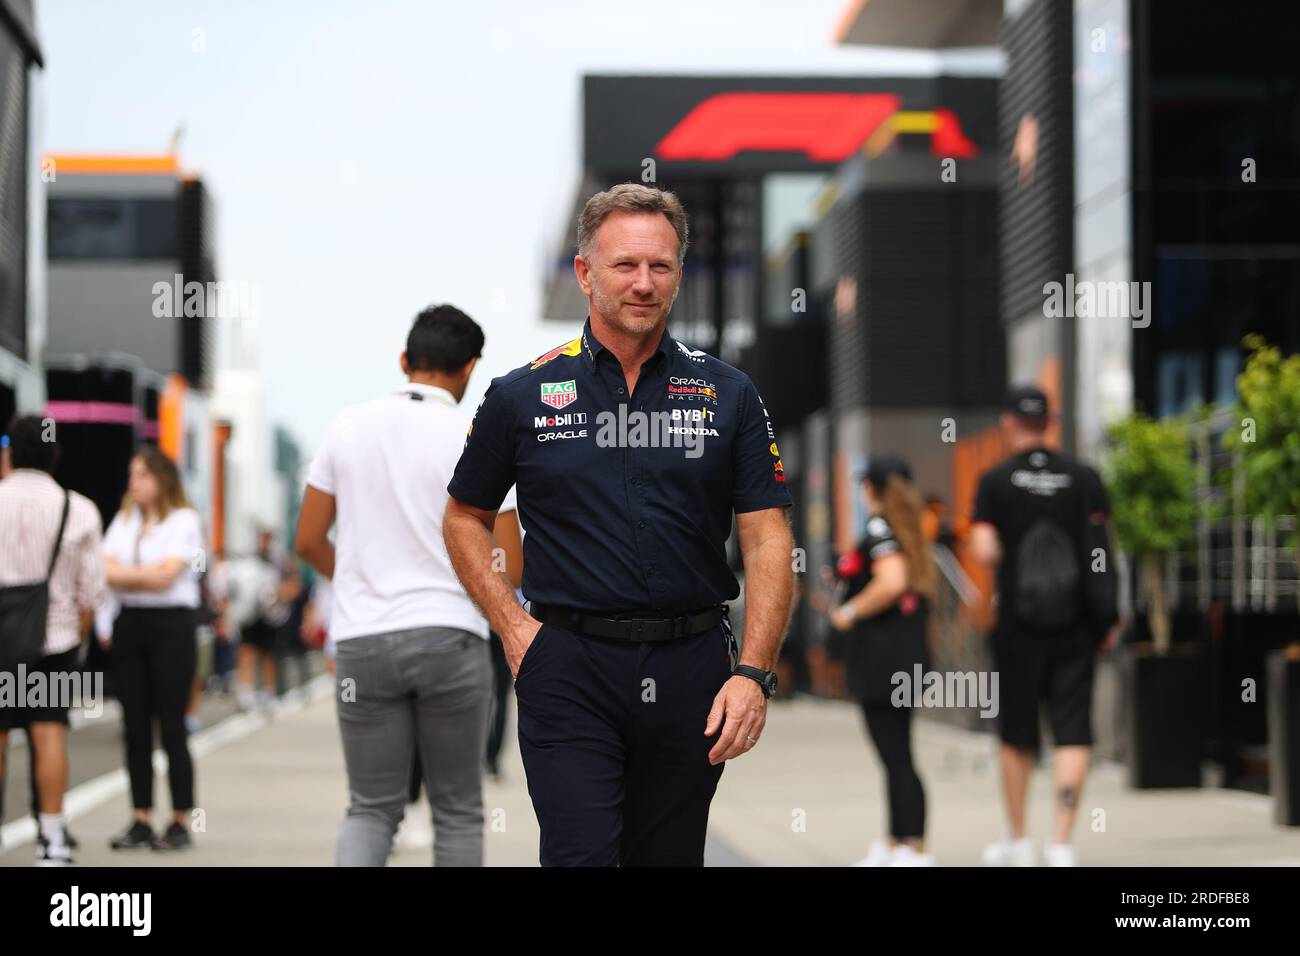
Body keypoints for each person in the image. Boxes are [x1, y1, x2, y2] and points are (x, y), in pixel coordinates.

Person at [444, 183, 795, 867]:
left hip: (693, 667)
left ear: (679, 275)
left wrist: (753, 673)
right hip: (567, 665)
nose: (643, 283)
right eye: (624, 265)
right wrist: (515, 631)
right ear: (584, 273)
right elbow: (464, 518)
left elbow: (767, 535)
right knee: (581, 856)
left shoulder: (729, 393)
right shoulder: (521, 396)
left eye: (660, 266)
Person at [295, 303, 492, 867]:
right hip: (451, 637)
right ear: (470, 368)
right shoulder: (475, 436)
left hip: (365, 640)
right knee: (458, 810)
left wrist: (359, 577)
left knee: (370, 808)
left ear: (404, 360)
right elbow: (507, 562)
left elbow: (307, 540)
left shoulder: (347, 426)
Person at [969, 386, 1120, 867]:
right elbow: (1102, 550)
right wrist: (1108, 615)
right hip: (1076, 624)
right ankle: (1061, 844)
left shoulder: (995, 480)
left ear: (1009, 423)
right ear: (1050, 424)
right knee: (1073, 732)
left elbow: (985, 550)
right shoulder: (1084, 477)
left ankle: (1018, 838)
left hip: (1019, 625)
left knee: (1016, 733)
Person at [0, 416, 106, 865]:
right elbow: (92, 593)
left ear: (11, 453)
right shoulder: (78, 509)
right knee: (49, 734)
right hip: (55, 642)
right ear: (53, 454)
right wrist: (76, 639)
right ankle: (53, 841)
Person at [826, 455, 935, 866]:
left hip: (882, 663)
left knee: (896, 755)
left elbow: (892, 582)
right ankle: (898, 842)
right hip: (903, 660)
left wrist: (848, 611)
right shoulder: (906, 531)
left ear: (869, 488)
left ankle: (913, 846)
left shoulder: (878, 529)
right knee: (898, 754)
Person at [103, 446, 205, 852]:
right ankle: (141, 815)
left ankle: (181, 817)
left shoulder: (184, 521)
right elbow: (105, 569)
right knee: (135, 726)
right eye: (132, 475)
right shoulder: (125, 520)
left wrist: (128, 577)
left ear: (161, 479)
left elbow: (169, 576)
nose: (134, 483)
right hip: (132, 624)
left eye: (142, 475)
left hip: (171, 626)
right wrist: (141, 576)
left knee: (172, 724)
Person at [485, 485, 524, 779]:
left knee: (494, 689)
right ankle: (490, 755)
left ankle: (489, 753)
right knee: (498, 689)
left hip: (493, 613)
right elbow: (513, 571)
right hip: (504, 611)